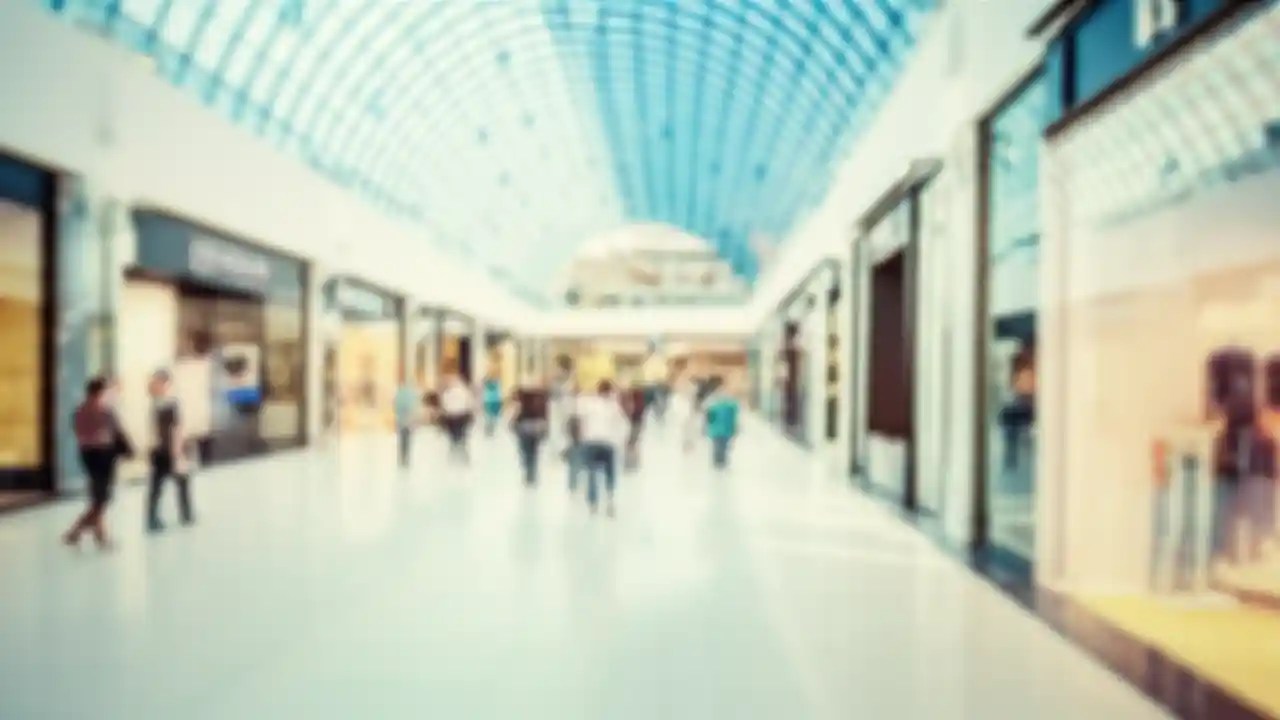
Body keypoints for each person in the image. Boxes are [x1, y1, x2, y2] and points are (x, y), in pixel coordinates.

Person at [64, 377, 131, 550]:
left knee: (98, 495)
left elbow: (77, 432)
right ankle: (75, 531)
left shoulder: (78, 411)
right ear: (101, 392)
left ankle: (99, 536)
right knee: (102, 498)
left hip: (86, 454)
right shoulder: (105, 411)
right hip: (104, 455)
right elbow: (117, 432)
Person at [147, 369, 194, 533]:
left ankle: (183, 514)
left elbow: (176, 430)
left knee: (173, 483)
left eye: (157, 382)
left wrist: (177, 451)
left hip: (167, 449)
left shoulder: (165, 403)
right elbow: (173, 429)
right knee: (163, 485)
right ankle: (183, 514)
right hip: (163, 450)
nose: (154, 385)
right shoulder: (162, 403)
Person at [576, 379, 629, 516]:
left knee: (591, 473)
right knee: (610, 473)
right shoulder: (614, 406)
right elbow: (623, 424)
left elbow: (580, 419)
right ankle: (610, 499)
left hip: (591, 442)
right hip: (608, 443)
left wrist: (582, 438)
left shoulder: (589, 404)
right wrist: (621, 442)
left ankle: (593, 504)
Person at [510, 377, 550, 486]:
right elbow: (545, 414)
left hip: (525, 426)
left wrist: (512, 423)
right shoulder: (542, 397)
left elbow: (516, 412)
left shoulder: (523, 398)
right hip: (538, 426)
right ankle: (532, 474)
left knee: (525, 451)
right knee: (534, 452)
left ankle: (528, 474)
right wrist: (546, 428)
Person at [704, 377, 740, 470]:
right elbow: (735, 414)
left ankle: (718, 460)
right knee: (722, 445)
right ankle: (721, 460)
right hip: (724, 429)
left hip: (718, 429)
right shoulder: (730, 403)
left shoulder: (713, 403)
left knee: (719, 445)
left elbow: (708, 415)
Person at [439, 375, 475, 464]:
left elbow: (444, 404)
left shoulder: (448, 392)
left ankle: (454, 452)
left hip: (451, 416)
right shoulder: (465, 391)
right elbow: (470, 403)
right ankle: (462, 453)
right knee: (461, 434)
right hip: (462, 415)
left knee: (453, 435)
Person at [393, 375, 420, 468]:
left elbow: (396, 406)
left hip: (401, 421)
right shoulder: (411, 394)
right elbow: (414, 408)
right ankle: (406, 458)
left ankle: (402, 457)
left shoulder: (400, 394)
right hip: (408, 421)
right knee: (407, 440)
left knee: (402, 440)